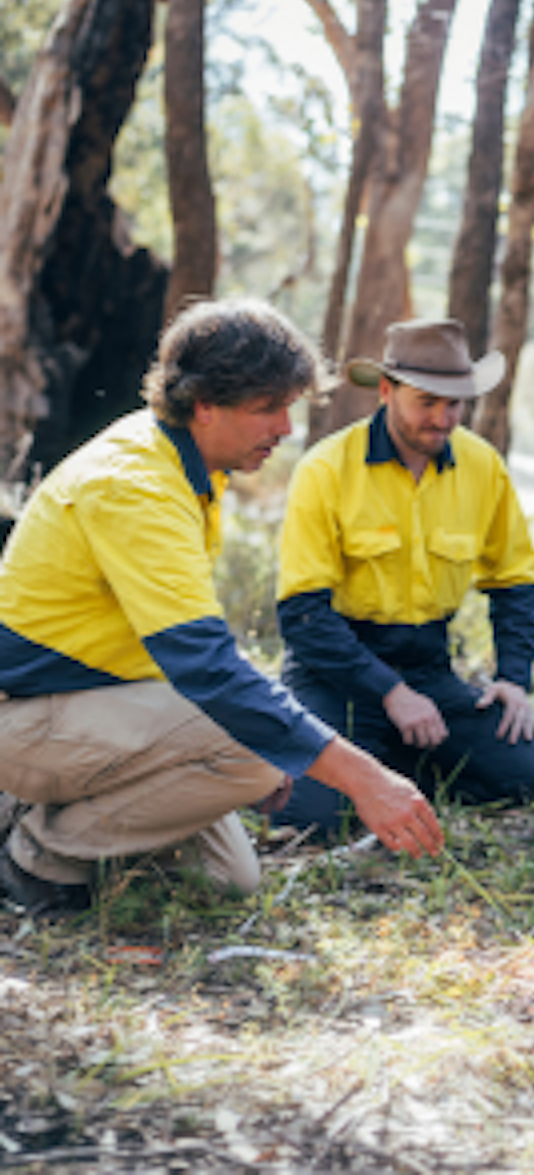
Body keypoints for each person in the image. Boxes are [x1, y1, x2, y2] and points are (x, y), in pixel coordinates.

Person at [0, 299, 444, 918]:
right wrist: (363, 777)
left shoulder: (188, 462)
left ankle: (46, 812)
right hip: (23, 713)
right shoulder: (135, 487)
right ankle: (37, 856)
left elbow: (189, 646)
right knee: (252, 747)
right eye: (267, 408)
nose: (285, 428)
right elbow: (206, 667)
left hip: (89, 702)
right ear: (204, 404)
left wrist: (268, 742)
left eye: (288, 407)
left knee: (228, 878)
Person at [270, 318, 534, 839]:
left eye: (455, 404)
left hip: (429, 671)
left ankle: (389, 759)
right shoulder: (325, 469)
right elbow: (303, 616)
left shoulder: (483, 466)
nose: (442, 418)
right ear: (386, 391)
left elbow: (514, 583)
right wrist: (389, 692)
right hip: (334, 673)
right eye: (426, 402)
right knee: (314, 820)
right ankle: (357, 756)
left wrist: (514, 679)